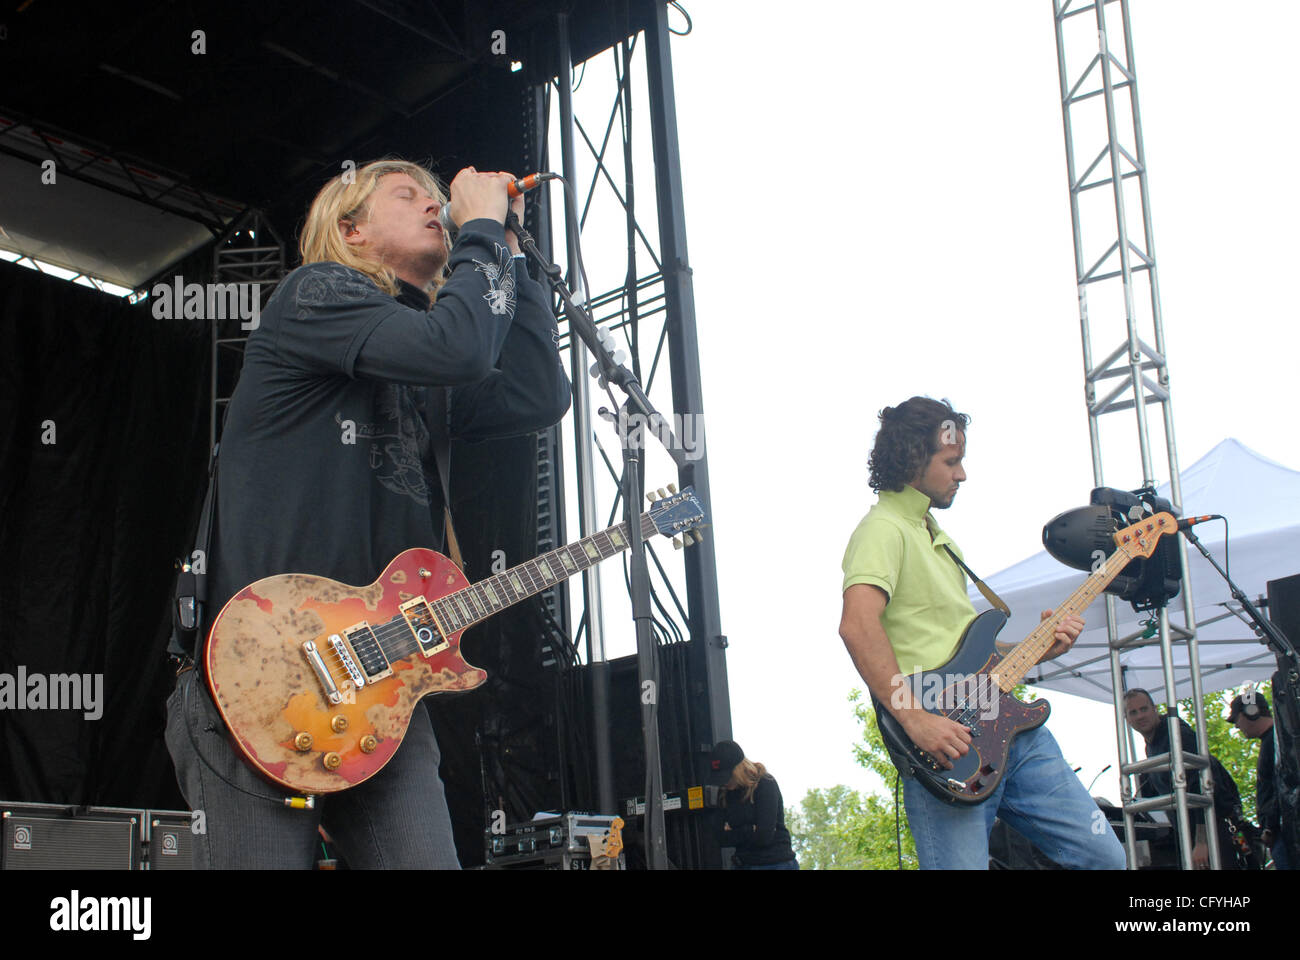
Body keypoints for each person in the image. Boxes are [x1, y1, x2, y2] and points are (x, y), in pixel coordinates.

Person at [164, 158, 571, 868]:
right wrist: (475, 225)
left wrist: (509, 256)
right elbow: (462, 346)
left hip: (380, 688)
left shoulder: (423, 370)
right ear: (349, 231)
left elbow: (539, 392)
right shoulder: (317, 293)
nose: (433, 206)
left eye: (437, 199)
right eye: (409, 195)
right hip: (260, 673)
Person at [838, 396, 1125, 870]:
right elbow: (856, 626)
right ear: (913, 459)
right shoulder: (882, 530)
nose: (962, 474)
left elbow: (964, 651)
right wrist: (916, 720)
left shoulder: (938, 537)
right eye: (952, 462)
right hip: (948, 746)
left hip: (1013, 731)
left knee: (1104, 859)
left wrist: (1038, 650)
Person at [1123, 688, 1248, 869]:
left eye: (1144, 709)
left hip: (1216, 828)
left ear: (1155, 709)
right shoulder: (1152, 745)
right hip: (1193, 832)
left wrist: (1202, 841)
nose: (1140, 716)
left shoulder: (1177, 735)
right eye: (1133, 712)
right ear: (1127, 719)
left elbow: (1203, 786)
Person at [708, 740, 798, 869]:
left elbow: (764, 836)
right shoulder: (724, 793)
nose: (724, 783)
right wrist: (750, 829)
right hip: (744, 863)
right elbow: (719, 838)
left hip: (775, 863)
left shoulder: (765, 783)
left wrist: (734, 830)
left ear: (738, 768)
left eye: (728, 776)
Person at [1230, 690, 1291, 869]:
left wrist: (1269, 828)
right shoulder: (1276, 739)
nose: (1236, 726)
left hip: (1283, 833)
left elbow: (1280, 788)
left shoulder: (1274, 743)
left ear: (1251, 712)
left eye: (1236, 719)